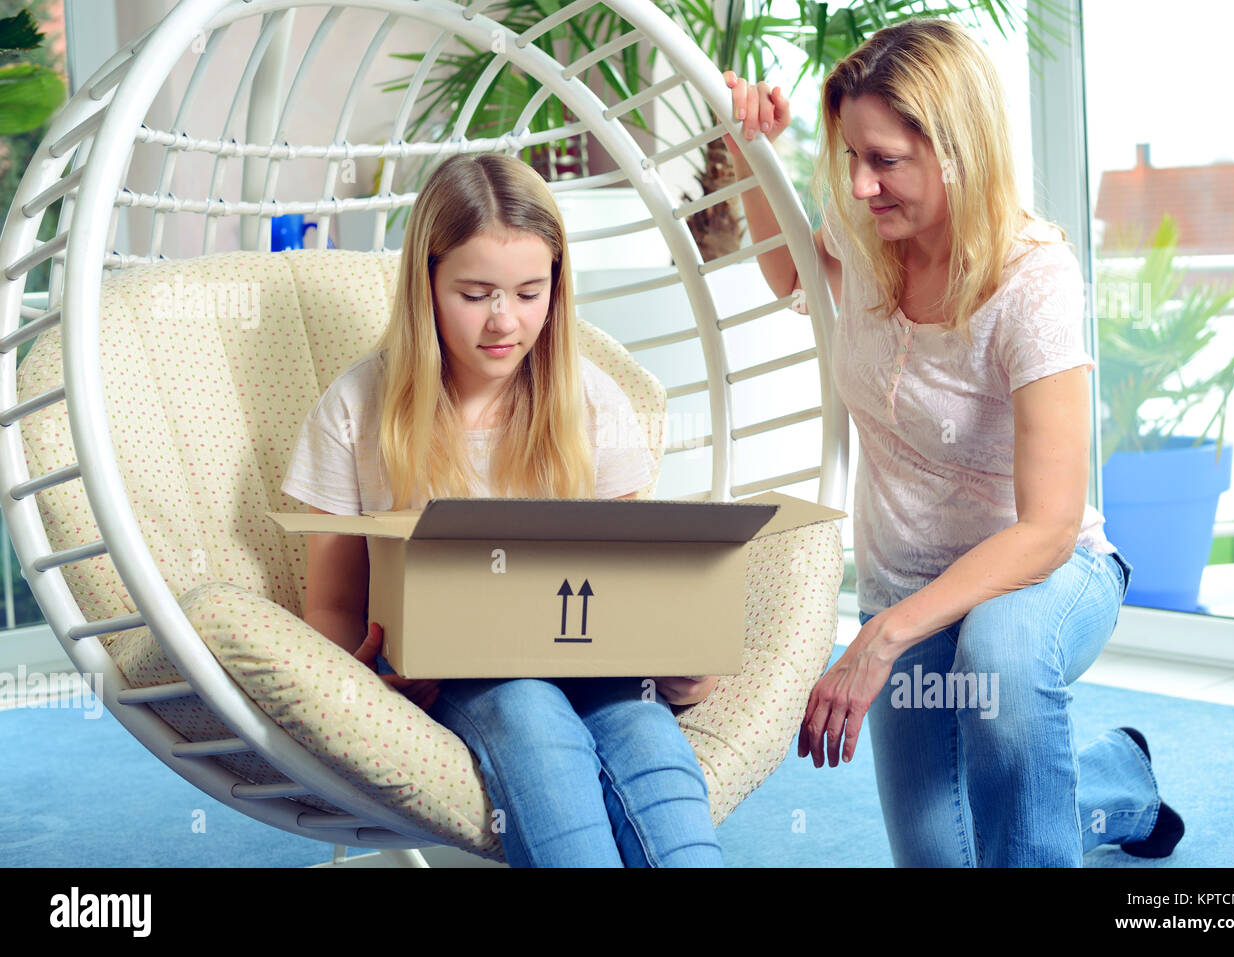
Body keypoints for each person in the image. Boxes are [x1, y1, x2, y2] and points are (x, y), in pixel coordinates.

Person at [722, 17, 1184, 867]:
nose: (860, 185)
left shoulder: (1032, 278)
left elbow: (1045, 530)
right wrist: (752, 149)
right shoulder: (869, 234)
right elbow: (790, 272)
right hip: (909, 592)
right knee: (948, 854)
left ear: (958, 151)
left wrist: (878, 639)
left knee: (1000, 663)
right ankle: (1118, 780)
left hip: (1045, 573)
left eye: (885, 161)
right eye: (851, 159)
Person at [280, 152, 723, 868]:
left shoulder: (589, 401)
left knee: (648, 740)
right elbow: (331, 607)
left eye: (528, 292)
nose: (503, 321)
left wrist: (682, 670)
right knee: (527, 712)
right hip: (458, 680)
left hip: (594, 667)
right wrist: (363, 686)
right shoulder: (357, 410)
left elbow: (637, 588)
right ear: (427, 283)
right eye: (475, 292)